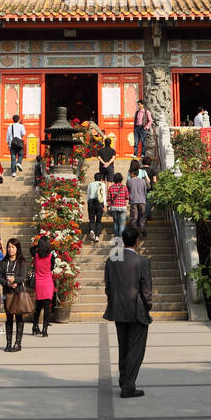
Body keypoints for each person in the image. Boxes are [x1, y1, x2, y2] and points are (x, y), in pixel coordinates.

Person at [105, 225, 153, 398]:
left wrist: (114, 301)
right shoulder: (142, 261)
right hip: (136, 310)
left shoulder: (111, 260)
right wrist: (147, 306)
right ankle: (128, 386)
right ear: (137, 242)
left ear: (123, 241)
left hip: (118, 309)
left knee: (124, 347)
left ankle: (124, 380)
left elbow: (108, 286)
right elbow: (146, 289)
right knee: (135, 349)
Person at [0, 237, 31, 352]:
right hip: (7, 293)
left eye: (13, 247)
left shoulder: (22, 262)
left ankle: (18, 343)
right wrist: (7, 283)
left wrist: (15, 281)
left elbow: (23, 277)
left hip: (18, 292)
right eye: (9, 247)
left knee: (18, 316)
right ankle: (8, 343)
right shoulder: (3, 262)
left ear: (17, 248)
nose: (10, 249)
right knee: (8, 317)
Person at [30, 235, 56, 337]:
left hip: (39, 283)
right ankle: (45, 329)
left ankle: (35, 325)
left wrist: (39, 245)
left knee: (39, 306)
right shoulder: (51, 256)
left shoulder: (35, 255)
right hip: (48, 282)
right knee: (47, 307)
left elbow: (31, 249)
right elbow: (52, 268)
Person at [127, 165, 149, 233]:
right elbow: (145, 191)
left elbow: (128, 191)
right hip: (142, 200)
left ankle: (134, 230)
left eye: (130, 173)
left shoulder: (129, 181)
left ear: (132, 173)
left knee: (134, 216)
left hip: (133, 200)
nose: (130, 175)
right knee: (142, 216)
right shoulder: (143, 181)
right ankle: (142, 228)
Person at [86, 171, 106, 243]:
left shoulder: (90, 184)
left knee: (91, 218)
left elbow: (88, 195)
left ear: (94, 178)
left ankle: (92, 230)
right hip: (99, 202)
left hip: (91, 202)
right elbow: (103, 195)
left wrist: (88, 202)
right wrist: (104, 204)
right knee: (98, 220)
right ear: (101, 179)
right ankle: (97, 236)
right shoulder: (102, 184)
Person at [108, 172, 130, 239]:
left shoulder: (111, 188)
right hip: (122, 207)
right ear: (121, 179)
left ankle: (116, 237)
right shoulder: (124, 187)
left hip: (114, 207)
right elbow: (127, 197)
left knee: (115, 222)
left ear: (114, 179)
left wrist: (108, 206)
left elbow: (109, 198)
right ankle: (121, 237)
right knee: (122, 223)